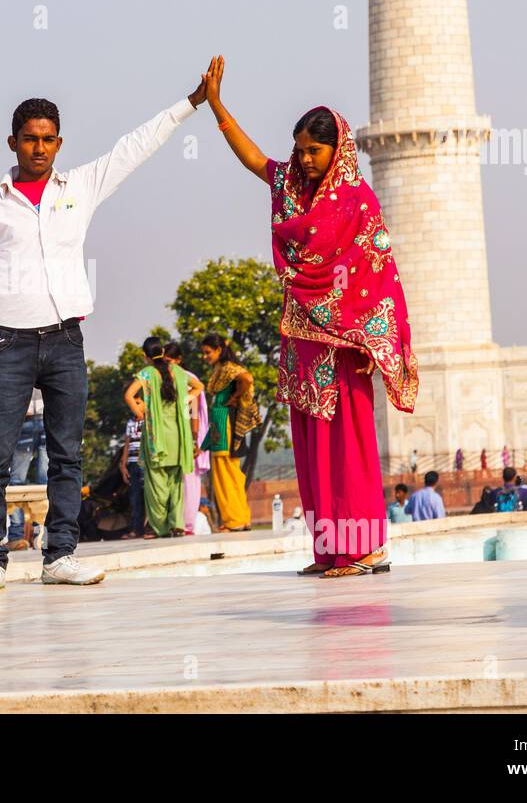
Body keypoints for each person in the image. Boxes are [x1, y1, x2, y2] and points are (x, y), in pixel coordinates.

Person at [0, 73, 206, 593]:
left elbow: (134, 147)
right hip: (10, 342)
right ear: (13, 142)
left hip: (66, 340)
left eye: (48, 139)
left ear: (59, 144)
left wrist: (191, 104)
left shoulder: (80, 187)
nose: (39, 147)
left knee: (67, 452)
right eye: (30, 138)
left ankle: (60, 555)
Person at [203, 57, 419, 578]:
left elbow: (380, 277)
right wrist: (216, 106)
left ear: (337, 148)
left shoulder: (358, 202)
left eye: (313, 150)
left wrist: (372, 344)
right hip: (302, 345)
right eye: (299, 150)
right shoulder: (292, 191)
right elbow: (256, 161)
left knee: (350, 453)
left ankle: (365, 550)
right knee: (313, 453)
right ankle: (329, 551)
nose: (303, 159)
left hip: (345, 349)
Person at [124, 338, 203, 538]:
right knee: (176, 481)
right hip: (177, 434)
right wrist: (183, 400)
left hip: (156, 436)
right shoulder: (177, 371)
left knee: (156, 483)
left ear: (145, 356)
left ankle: (160, 527)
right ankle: (177, 524)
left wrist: (141, 414)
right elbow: (199, 387)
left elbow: (128, 395)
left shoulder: (147, 374)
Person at [200, 334, 258, 532]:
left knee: (226, 475)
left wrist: (234, 398)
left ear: (219, 350)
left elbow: (247, 379)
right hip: (219, 424)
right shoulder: (220, 370)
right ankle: (241, 518)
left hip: (224, 425)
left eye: (208, 352)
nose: (205, 356)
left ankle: (234, 521)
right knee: (231, 475)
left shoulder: (229, 369)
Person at [165, 342, 210, 534]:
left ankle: (188, 525)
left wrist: (193, 440)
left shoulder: (188, 378)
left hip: (190, 435)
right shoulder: (167, 378)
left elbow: (193, 412)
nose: (166, 365)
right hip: (175, 435)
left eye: (169, 361)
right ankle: (177, 524)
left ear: (178, 360)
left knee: (190, 481)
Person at [5, 388, 48, 550]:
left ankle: (39, 533)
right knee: (18, 481)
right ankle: (20, 535)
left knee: (41, 481)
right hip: (25, 417)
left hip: (43, 416)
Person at [118, 417, 145, 539]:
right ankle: (135, 529)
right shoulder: (130, 422)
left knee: (148, 497)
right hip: (132, 463)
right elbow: (127, 444)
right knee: (135, 497)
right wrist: (123, 465)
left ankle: (149, 527)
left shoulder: (148, 418)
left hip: (145, 463)